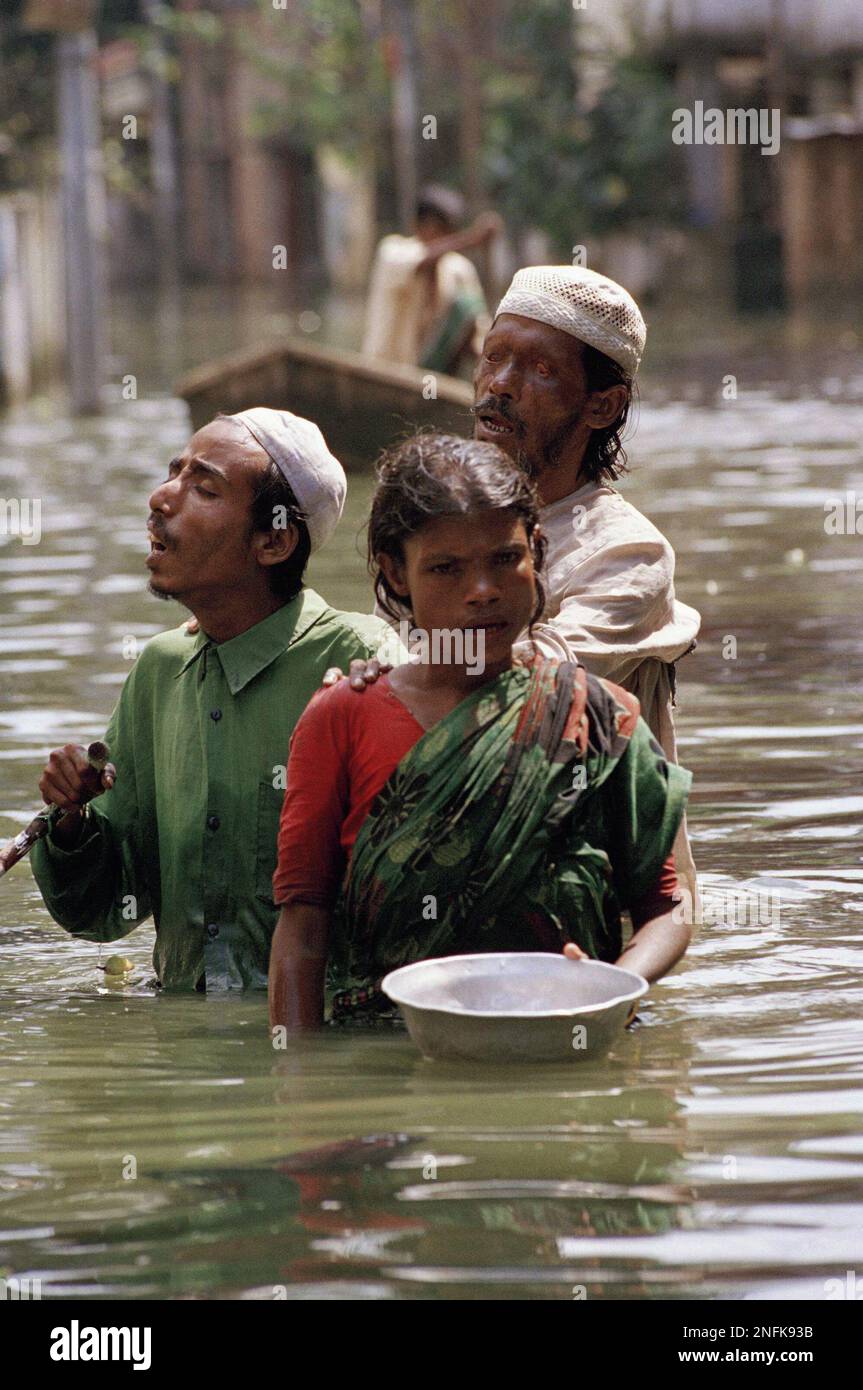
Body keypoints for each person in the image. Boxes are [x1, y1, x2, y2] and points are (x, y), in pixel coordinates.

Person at [269, 433, 692, 1032]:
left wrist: (613, 984)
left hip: (568, 1053)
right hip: (391, 1063)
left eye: (504, 559)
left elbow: (669, 908)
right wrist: (301, 1088)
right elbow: (303, 924)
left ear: (537, 552)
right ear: (397, 571)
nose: (483, 591)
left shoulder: (599, 716)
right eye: (445, 569)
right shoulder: (343, 716)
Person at [339, 264, 701, 912]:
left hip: (605, 921)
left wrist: (367, 671)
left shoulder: (626, 552)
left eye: (537, 370)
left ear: (602, 404)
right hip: (457, 897)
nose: (498, 386)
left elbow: (523, 680)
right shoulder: (432, 529)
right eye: (493, 357)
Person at [30, 410, 391, 993]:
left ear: (273, 540)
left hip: (324, 1039)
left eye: (203, 488)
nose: (160, 498)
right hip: (185, 1028)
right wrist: (71, 822)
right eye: (173, 474)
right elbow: (104, 912)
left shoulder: (360, 660)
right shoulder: (159, 670)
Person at [361, 184, 500, 375]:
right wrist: (473, 238)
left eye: (448, 230)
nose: (442, 237)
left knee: (466, 305)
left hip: (431, 377)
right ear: (417, 226)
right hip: (388, 370)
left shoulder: (459, 269)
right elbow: (422, 260)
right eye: (437, 228)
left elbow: (476, 330)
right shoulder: (393, 251)